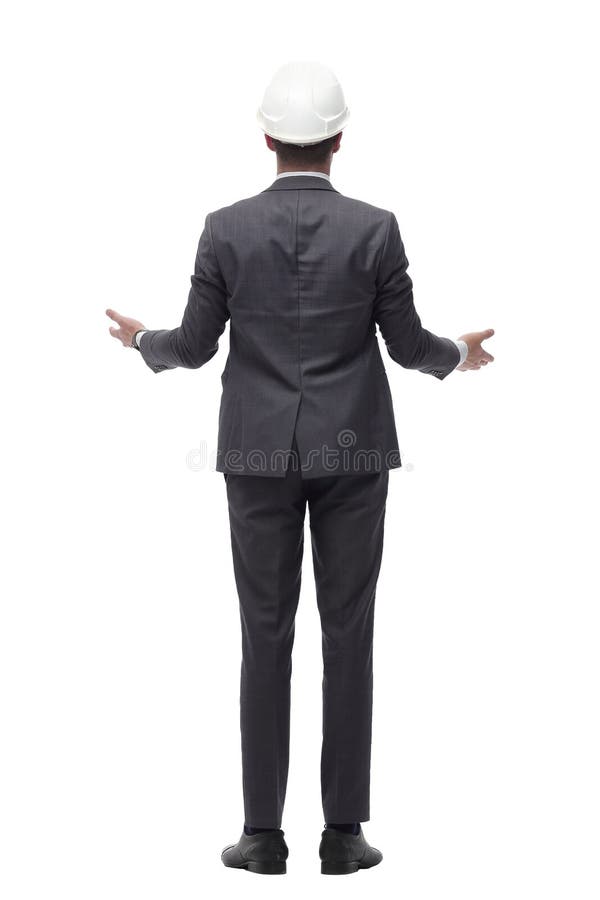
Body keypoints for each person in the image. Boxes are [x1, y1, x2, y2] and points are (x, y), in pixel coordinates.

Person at [106, 60, 495, 876]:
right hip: (353, 452)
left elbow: (194, 344)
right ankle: (344, 837)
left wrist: (142, 342)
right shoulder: (377, 228)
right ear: (339, 139)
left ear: (267, 138)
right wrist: (457, 357)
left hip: (255, 456)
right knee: (350, 634)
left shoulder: (223, 228)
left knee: (265, 636)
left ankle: (260, 837)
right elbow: (408, 343)